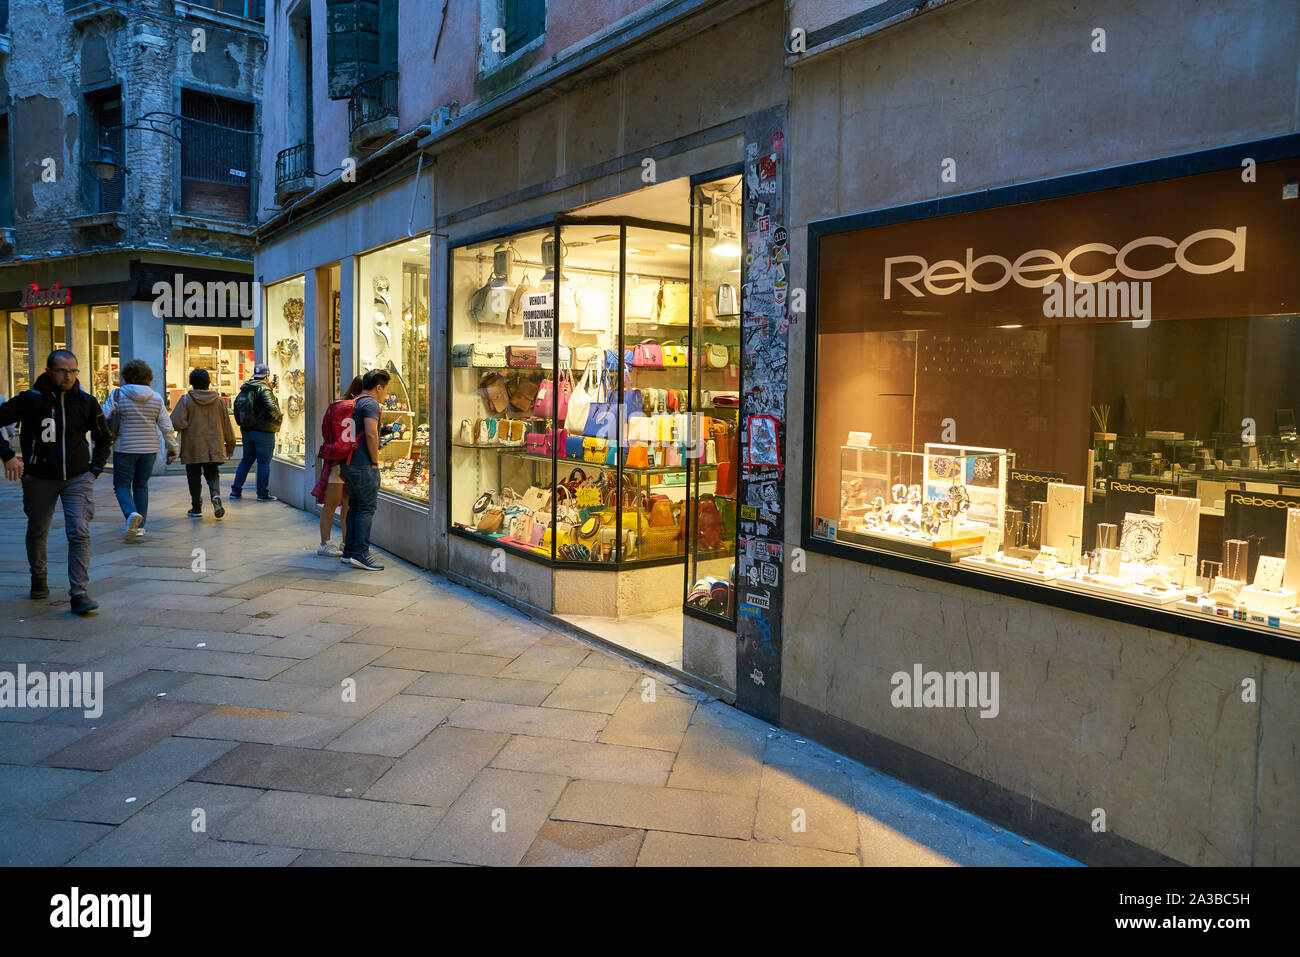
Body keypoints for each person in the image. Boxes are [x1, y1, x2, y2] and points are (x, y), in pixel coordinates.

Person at [0, 349, 113, 614]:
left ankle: (79, 593)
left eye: (73, 371)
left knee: (79, 531)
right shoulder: (32, 399)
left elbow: (103, 436)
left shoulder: (85, 401)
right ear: (50, 371)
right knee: (38, 529)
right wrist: (8, 456)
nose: (69, 376)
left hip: (78, 477)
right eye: (63, 371)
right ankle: (38, 576)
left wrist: (94, 470)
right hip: (40, 477)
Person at [102, 359, 179, 543]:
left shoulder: (117, 395)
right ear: (148, 377)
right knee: (141, 486)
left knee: (121, 485)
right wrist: (172, 447)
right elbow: (166, 426)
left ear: (126, 376)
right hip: (149, 449)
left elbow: (103, 416)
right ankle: (140, 527)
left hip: (125, 447)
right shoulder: (156, 397)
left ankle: (131, 514)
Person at [339, 368, 390, 570]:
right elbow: (370, 433)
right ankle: (361, 553)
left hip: (350, 462)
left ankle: (349, 551)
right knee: (366, 508)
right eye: (386, 389)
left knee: (355, 507)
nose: (386, 394)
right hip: (362, 463)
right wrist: (375, 461)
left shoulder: (357, 400)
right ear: (378, 387)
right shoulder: (370, 403)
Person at [170, 367, 237, 518]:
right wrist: (230, 445)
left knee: (193, 476)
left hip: (193, 446)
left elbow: (175, 422)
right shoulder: (219, 401)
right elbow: (227, 425)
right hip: (214, 445)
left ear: (192, 383)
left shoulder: (186, 400)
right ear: (209, 382)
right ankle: (215, 495)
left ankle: (196, 507)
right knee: (212, 473)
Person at [315, 375, 364, 557]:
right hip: (345, 460)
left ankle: (341, 541)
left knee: (341, 503)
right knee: (337, 502)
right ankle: (327, 542)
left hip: (338, 459)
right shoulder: (357, 408)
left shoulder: (342, 406)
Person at [230, 362, 282, 501]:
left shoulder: (247, 388)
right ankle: (262, 494)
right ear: (267, 376)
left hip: (247, 431)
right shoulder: (264, 390)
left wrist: (268, 388)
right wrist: (279, 419)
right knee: (264, 463)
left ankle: (235, 491)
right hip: (264, 431)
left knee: (246, 461)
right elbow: (271, 407)